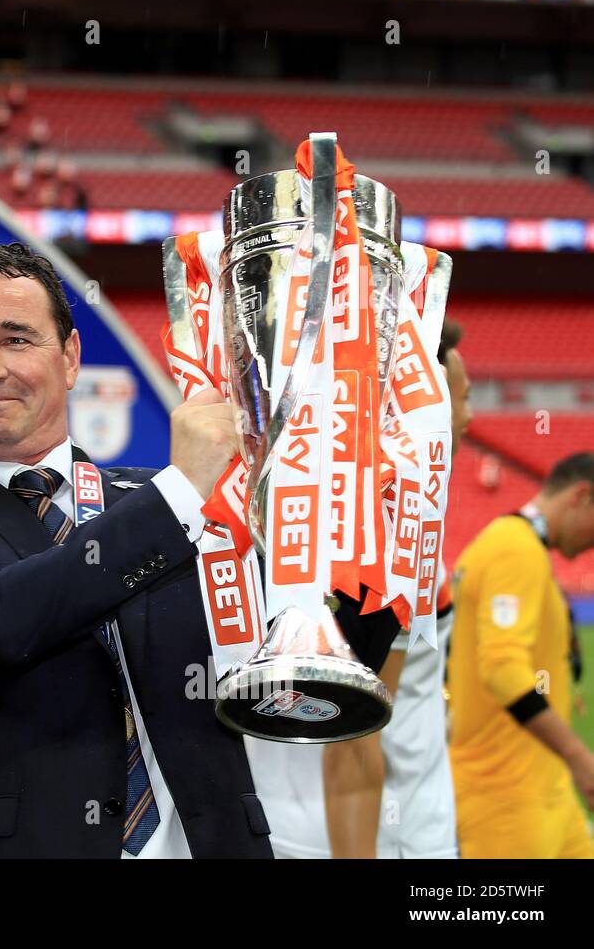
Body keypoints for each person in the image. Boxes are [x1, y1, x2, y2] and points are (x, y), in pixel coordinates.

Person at [0, 242, 272, 858]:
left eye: (16, 339)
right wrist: (180, 493)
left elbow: (299, 657)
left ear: (70, 359)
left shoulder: (176, 502)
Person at [246, 318, 470, 859]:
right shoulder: (387, 545)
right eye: (462, 396)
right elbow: (354, 743)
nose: (469, 416)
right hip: (387, 839)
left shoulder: (264, 521)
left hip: (273, 828)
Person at [449, 450, 594, 859]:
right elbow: (502, 669)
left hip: (546, 788)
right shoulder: (514, 547)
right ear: (582, 496)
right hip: (505, 797)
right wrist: (580, 757)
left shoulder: (525, 547)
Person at [377, 317, 472, 859]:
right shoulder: (399, 544)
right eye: (462, 398)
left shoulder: (384, 531)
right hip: (406, 837)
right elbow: (360, 733)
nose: (470, 418)